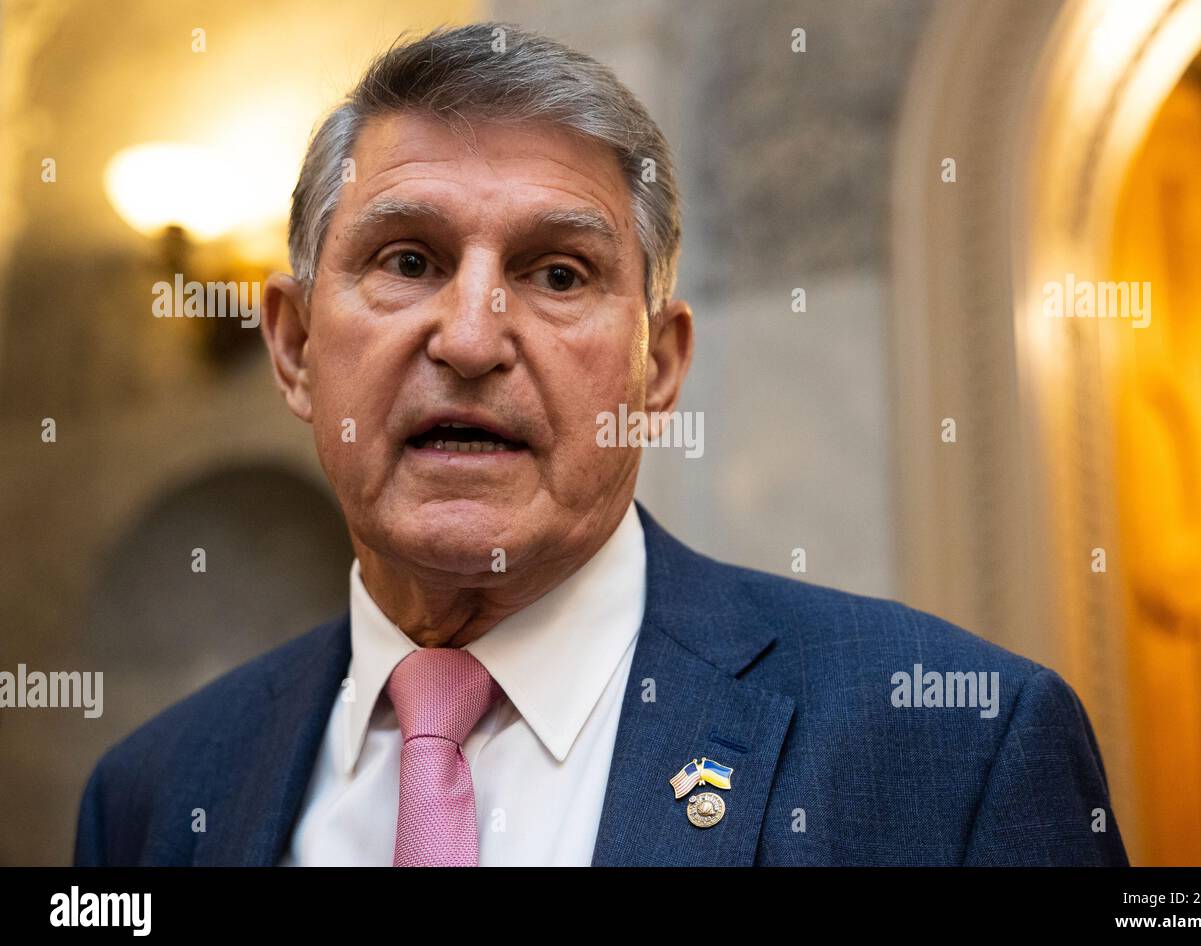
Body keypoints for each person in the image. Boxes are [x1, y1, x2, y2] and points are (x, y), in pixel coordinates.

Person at [74, 22, 1126, 867]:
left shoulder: (955, 748)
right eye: (407, 258)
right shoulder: (154, 797)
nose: (473, 337)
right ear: (296, 346)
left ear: (657, 367)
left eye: (558, 273)